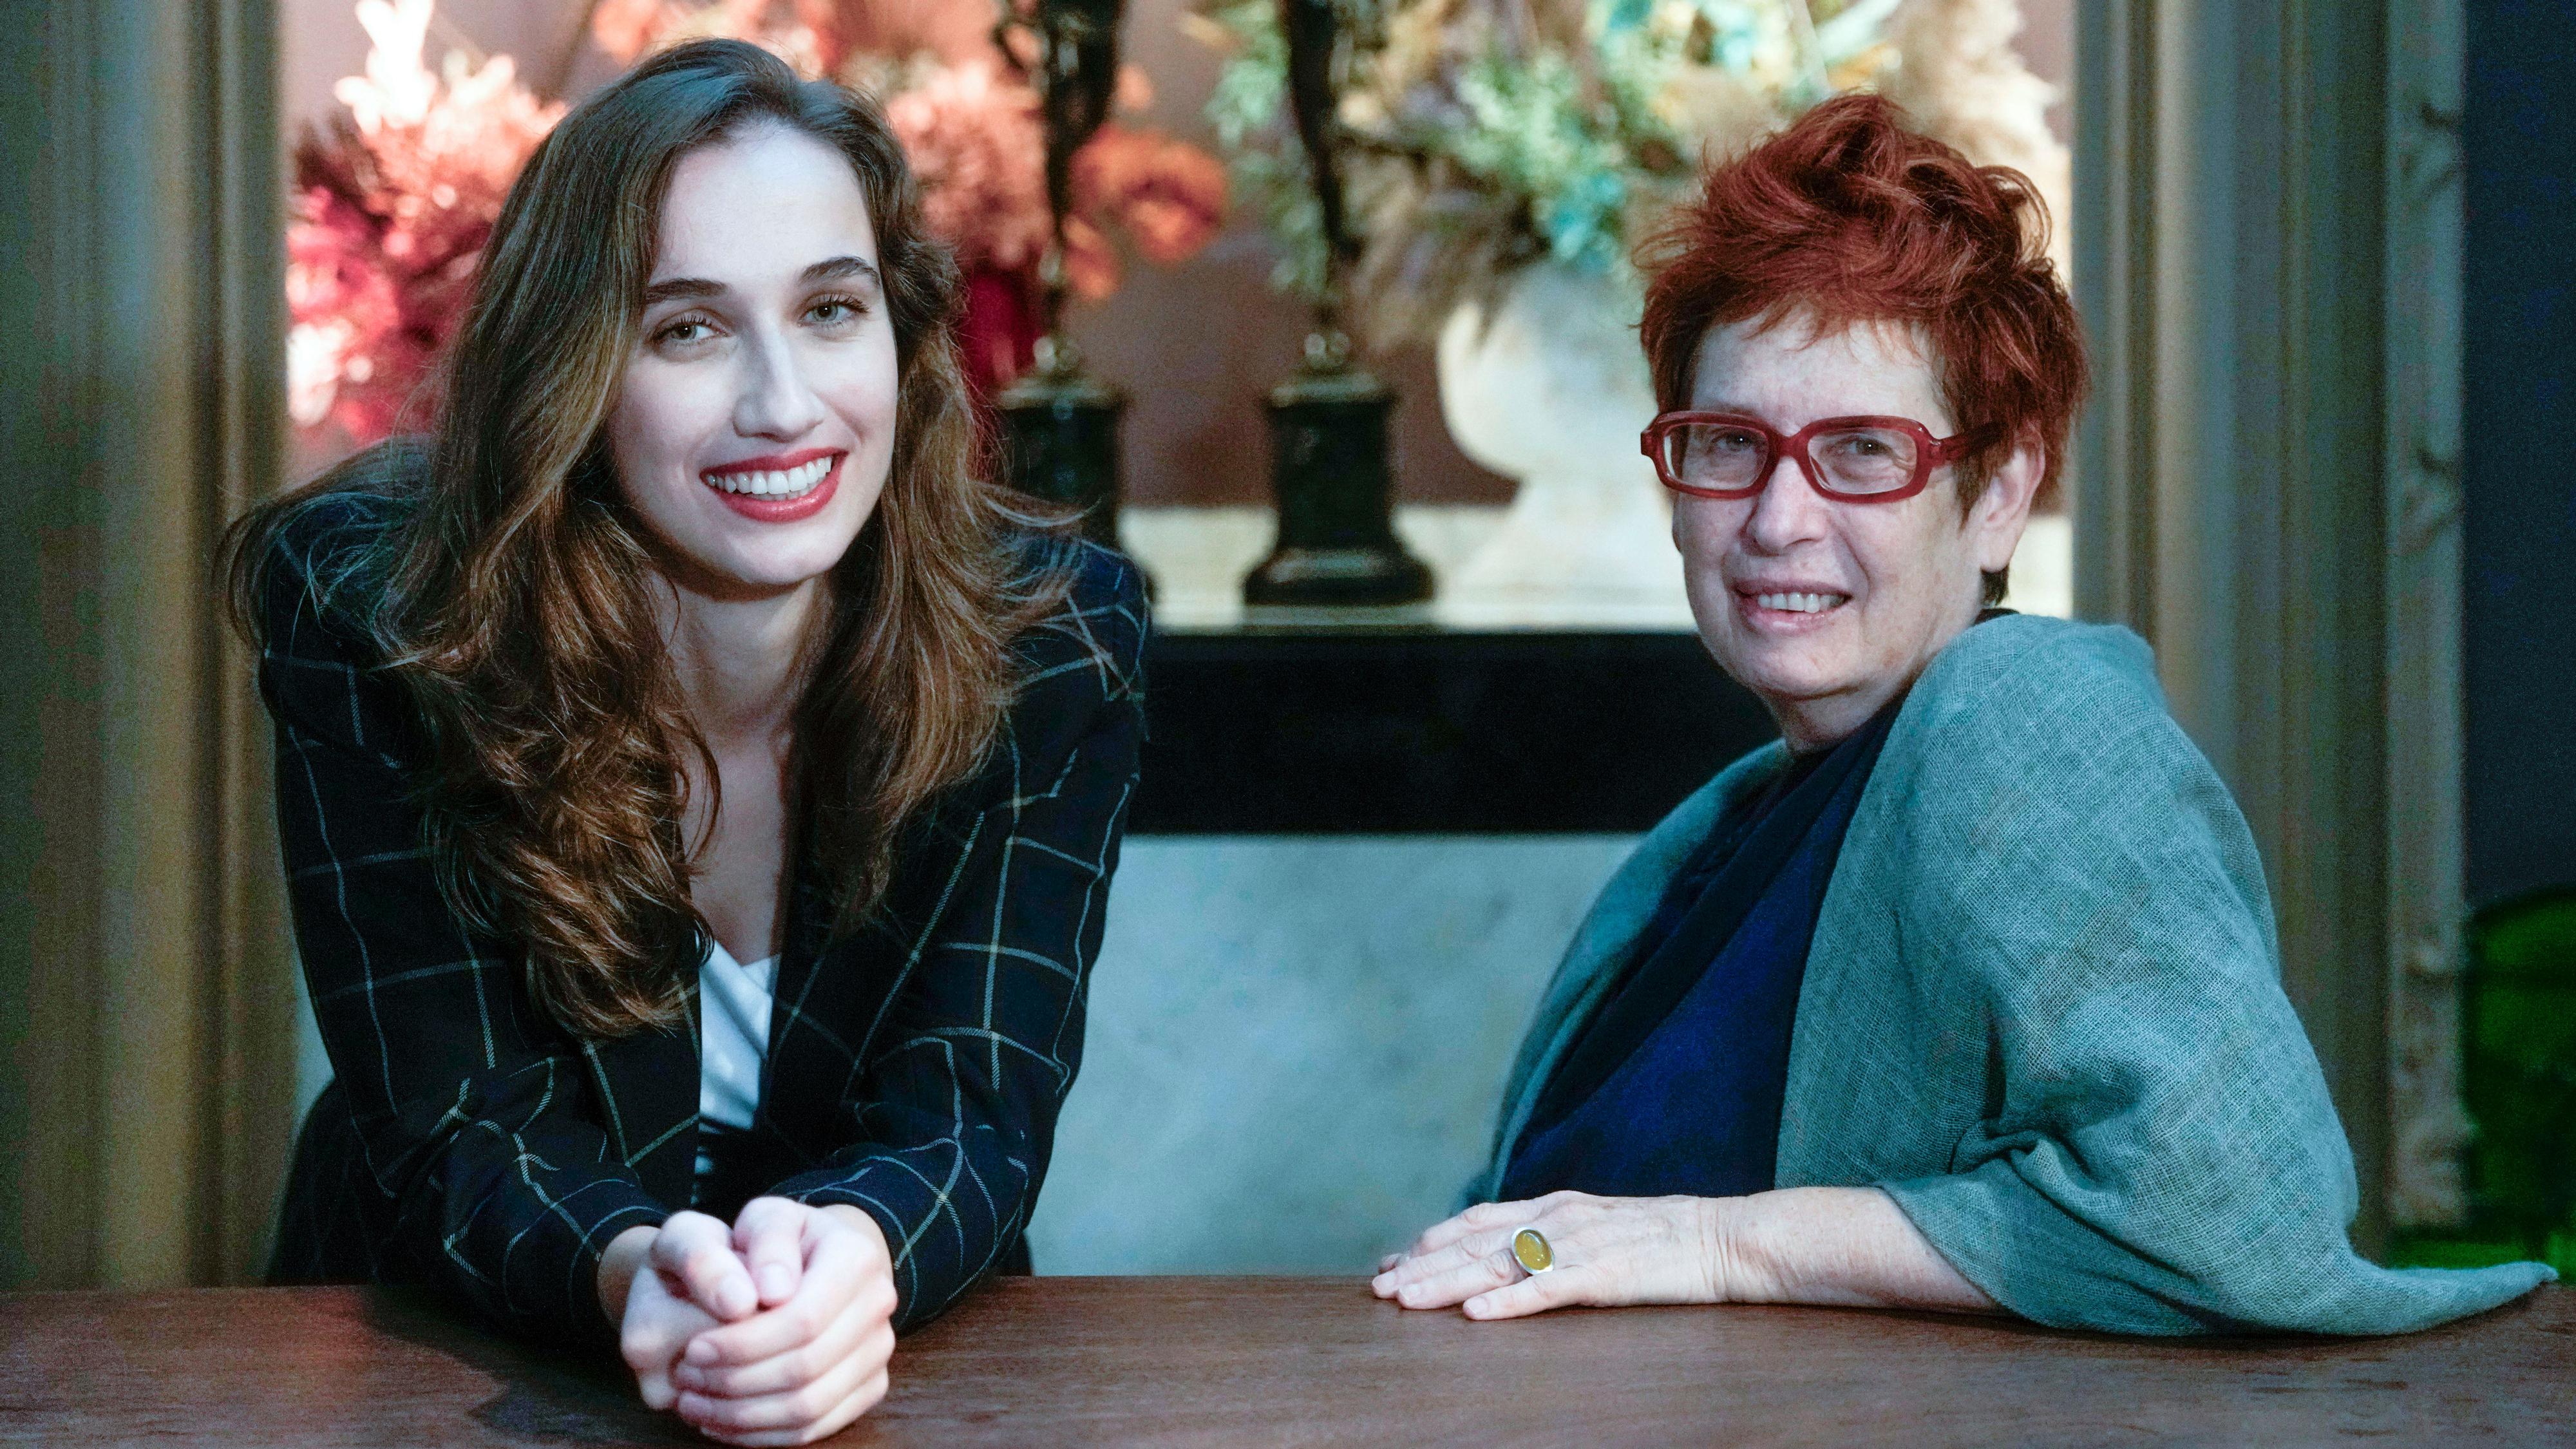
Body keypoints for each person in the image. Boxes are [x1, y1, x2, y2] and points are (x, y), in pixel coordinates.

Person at [1372, 95, 2551, 1335]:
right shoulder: (1731, 818)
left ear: (1999, 492)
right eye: (1729, 444)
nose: (1777, 521)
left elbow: (2237, 1212)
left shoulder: (2022, 715)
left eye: (1864, 452)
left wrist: (1722, 1240)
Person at [225, 41, 1144, 1443]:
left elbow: (973, 1101)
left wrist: (852, 1258)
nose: (783, 404)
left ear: (899, 337)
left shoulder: (1052, 643)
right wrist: (635, 1269)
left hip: (871, 1360)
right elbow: (457, 1125)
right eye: (687, 329)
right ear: (575, 373)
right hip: (450, 1351)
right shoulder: (379, 615)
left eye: (831, 310)